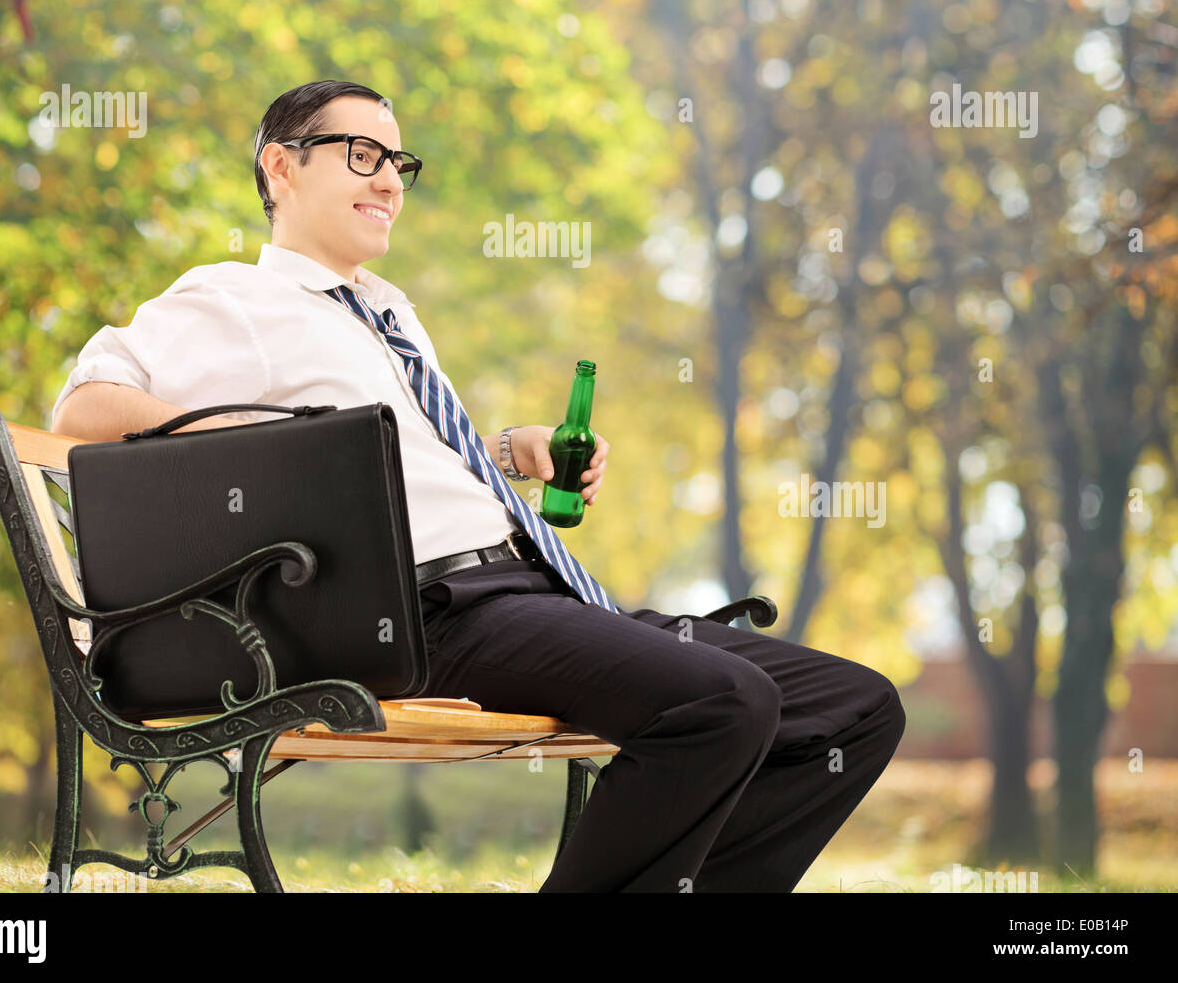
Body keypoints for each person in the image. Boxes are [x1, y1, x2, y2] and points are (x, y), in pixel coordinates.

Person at [52, 77, 905, 892]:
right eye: (361, 154)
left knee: (855, 708)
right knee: (721, 703)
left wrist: (507, 448)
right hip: (429, 613)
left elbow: (407, 466)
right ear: (280, 166)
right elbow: (85, 404)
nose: (388, 178)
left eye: (397, 163)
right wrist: (228, 435)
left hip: (532, 588)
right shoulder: (233, 297)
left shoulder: (387, 311)